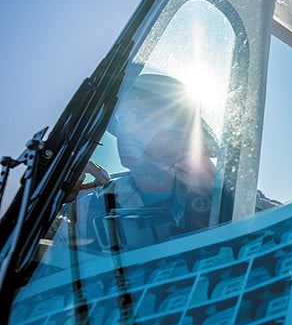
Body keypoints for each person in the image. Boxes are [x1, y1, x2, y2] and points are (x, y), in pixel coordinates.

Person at [55, 73, 276, 251]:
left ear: (181, 137)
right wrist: (56, 200)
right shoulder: (93, 204)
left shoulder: (224, 195)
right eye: (123, 119)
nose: (127, 130)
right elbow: (49, 264)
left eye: (142, 118)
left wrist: (221, 189)